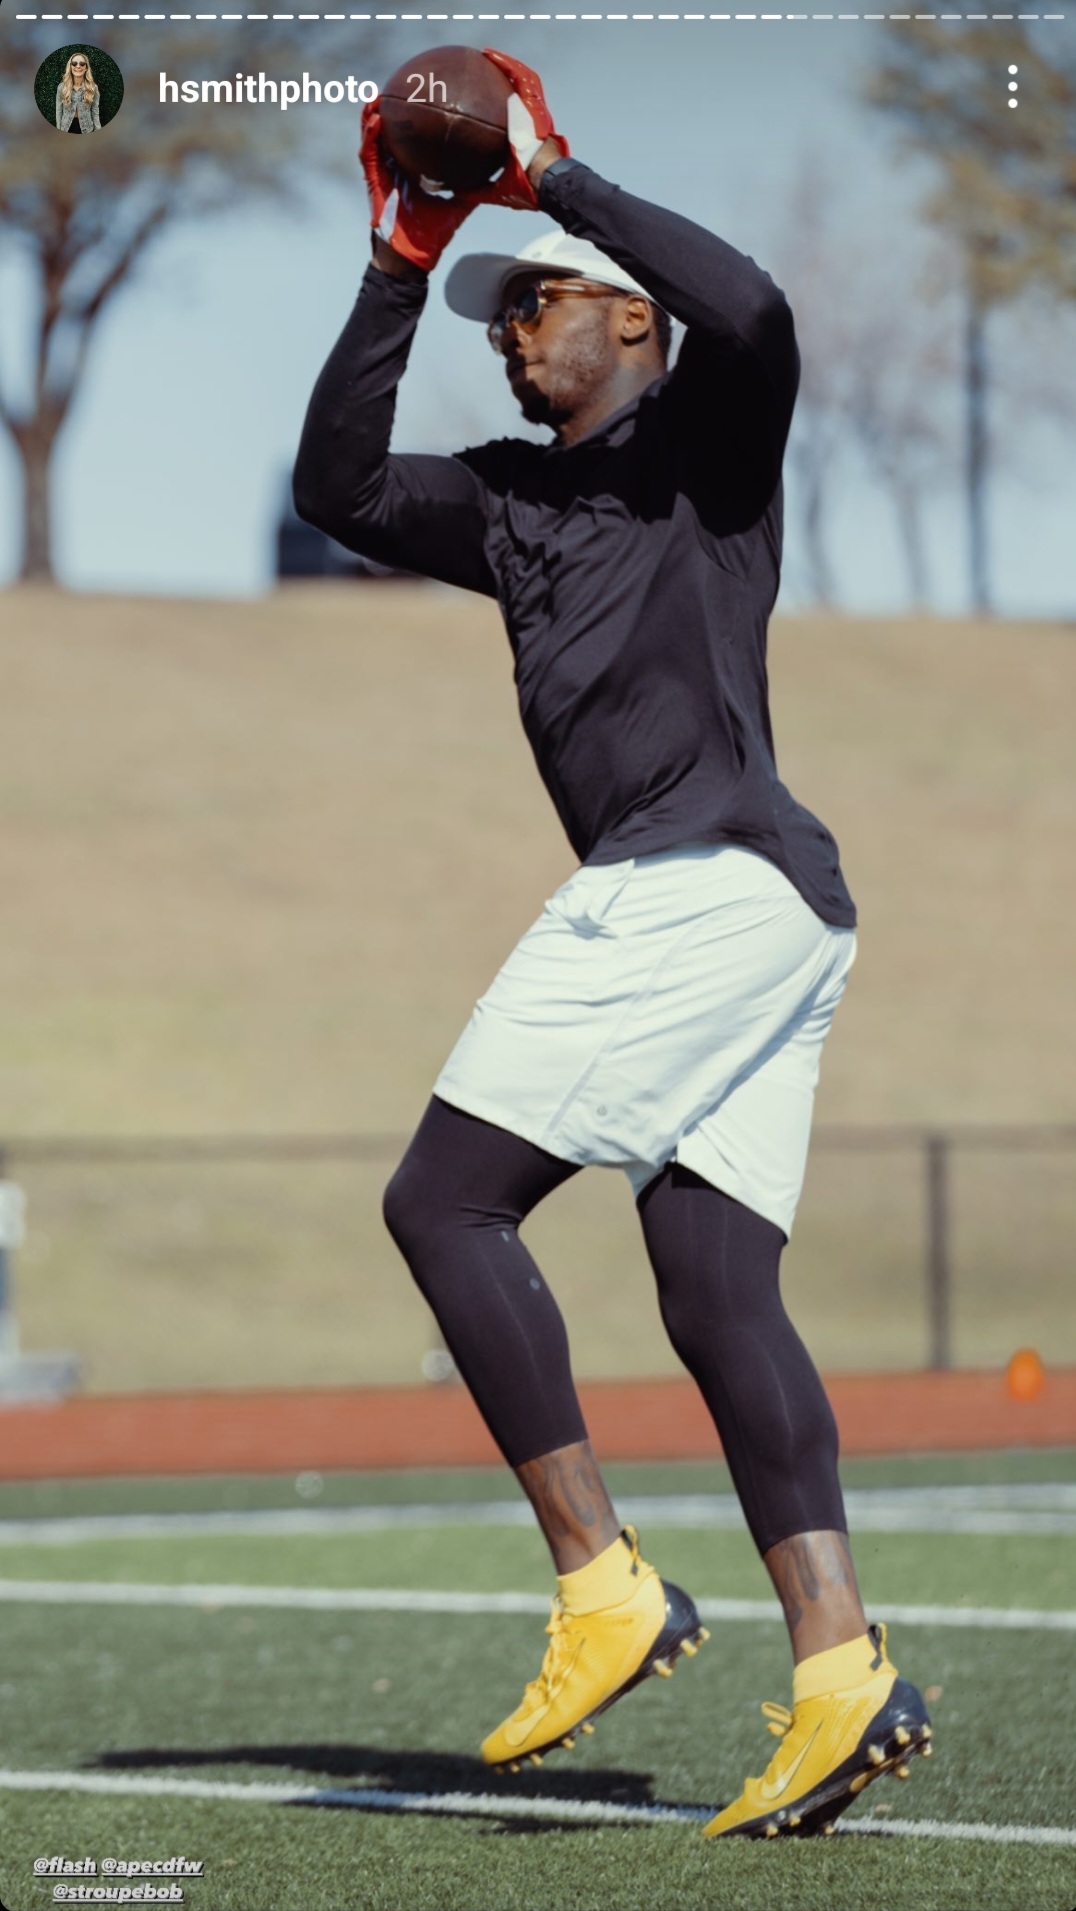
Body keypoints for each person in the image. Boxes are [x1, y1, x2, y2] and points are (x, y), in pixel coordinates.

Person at [293, 50, 932, 1840]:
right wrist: (405, 255)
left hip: (704, 880)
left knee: (442, 1200)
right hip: (765, 908)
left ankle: (601, 1585)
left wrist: (555, 176)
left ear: (634, 331)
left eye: (548, 307)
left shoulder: (710, 447)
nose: (519, 330)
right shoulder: (512, 504)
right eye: (503, 317)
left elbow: (762, 303)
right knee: (716, 1287)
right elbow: (338, 481)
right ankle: (839, 1672)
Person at [55, 53, 101, 133]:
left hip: (87, 130)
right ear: (70, 66)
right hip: (66, 129)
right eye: (74, 63)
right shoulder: (62, 87)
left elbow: (95, 110)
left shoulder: (93, 88)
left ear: (86, 68)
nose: (78, 66)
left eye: (82, 64)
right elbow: (58, 110)